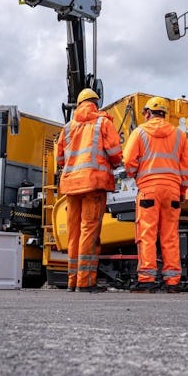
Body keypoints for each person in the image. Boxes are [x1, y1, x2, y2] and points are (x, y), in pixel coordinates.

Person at [55, 88, 123, 293]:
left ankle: (72, 280)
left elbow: (59, 158)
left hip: (71, 186)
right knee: (89, 232)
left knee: (74, 233)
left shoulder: (67, 128)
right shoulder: (103, 123)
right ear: (96, 103)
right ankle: (85, 282)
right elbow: (115, 153)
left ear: (78, 105)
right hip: (93, 184)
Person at [122, 96, 188, 293]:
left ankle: (147, 279)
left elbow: (128, 161)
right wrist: (182, 191)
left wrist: (134, 174)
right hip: (172, 191)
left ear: (148, 113)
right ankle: (173, 281)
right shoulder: (179, 135)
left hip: (149, 190)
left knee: (147, 234)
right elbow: (185, 169)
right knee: (170, 236)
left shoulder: (139, 132)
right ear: (165, 113)